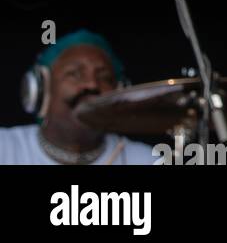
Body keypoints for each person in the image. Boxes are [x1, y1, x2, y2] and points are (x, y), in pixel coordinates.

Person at [1, 30, 159, 165]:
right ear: (39, 91)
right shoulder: (5, 147)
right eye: (74, 74)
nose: (92, 84)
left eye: (104, 77)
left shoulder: (148, 160)